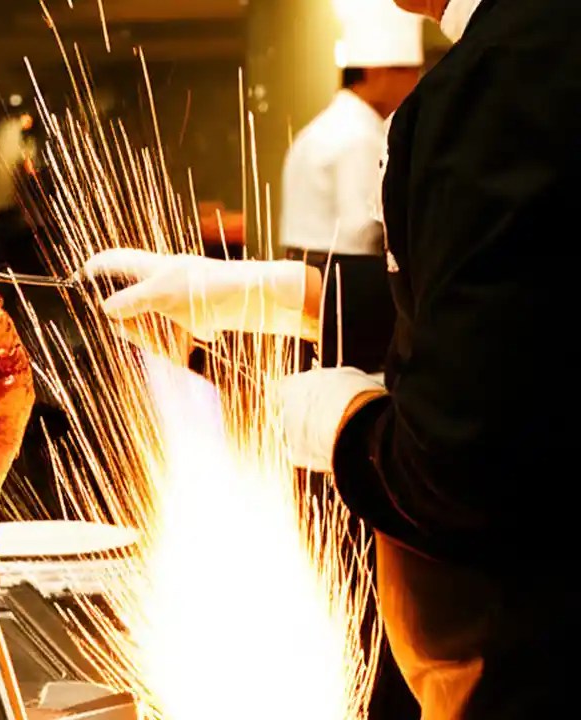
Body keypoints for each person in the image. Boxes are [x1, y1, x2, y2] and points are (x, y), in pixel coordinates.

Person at [83, 0, 579, 717]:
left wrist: (347, 426)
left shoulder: (505, 74)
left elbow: (457, 457)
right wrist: (291, 295)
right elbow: (511, 304)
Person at [281, 0, 422, 372]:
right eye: (410, 71)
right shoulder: (359, 137)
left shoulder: (327, 125)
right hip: (340, 291)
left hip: (309, 280)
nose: (417, 81)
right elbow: (363, 231)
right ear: (377, 71)